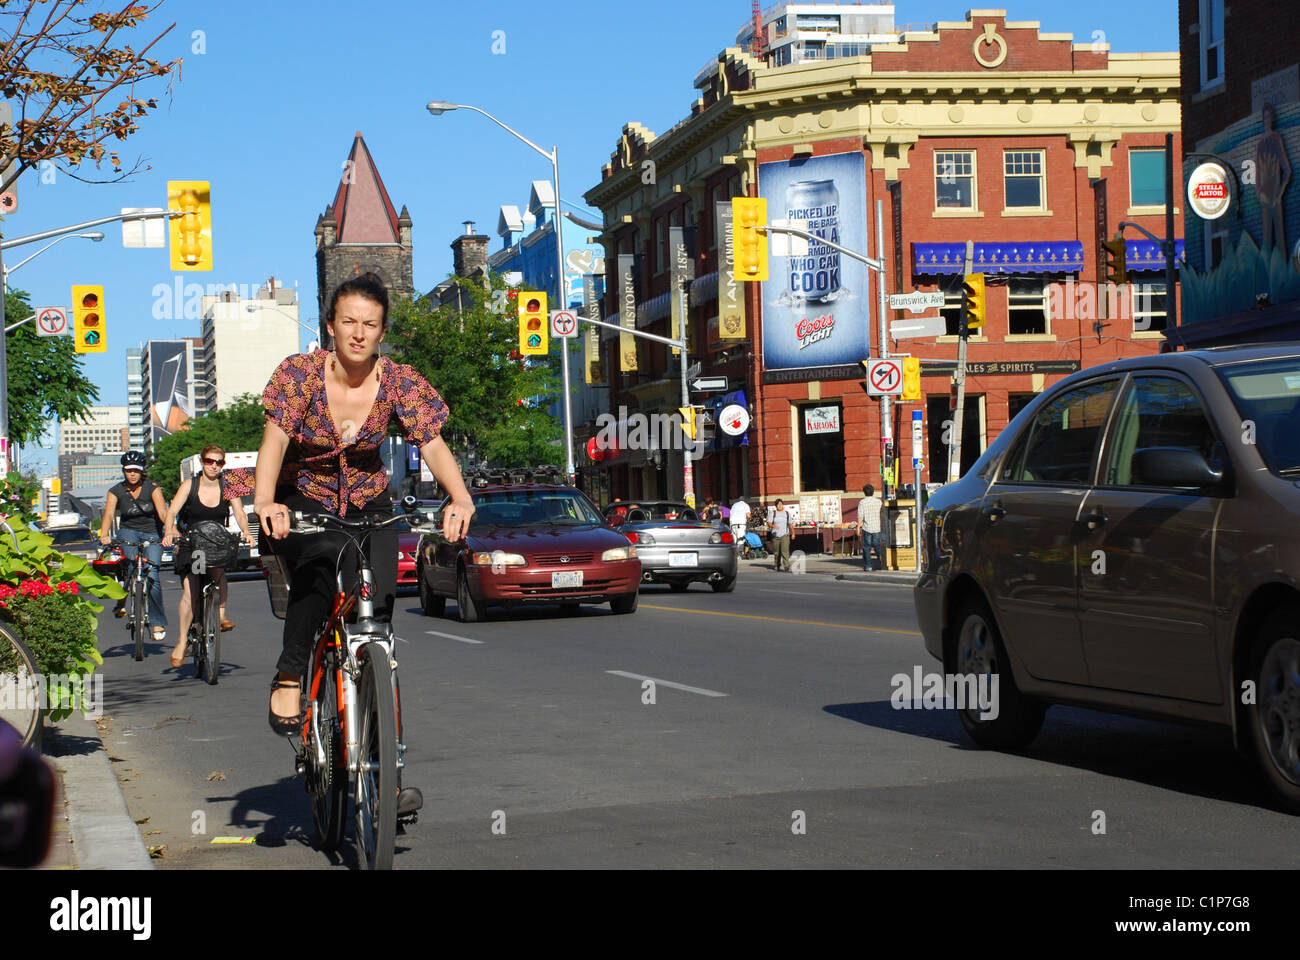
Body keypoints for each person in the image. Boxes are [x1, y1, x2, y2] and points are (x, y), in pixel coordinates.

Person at [256, 274, 474, 813]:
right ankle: (291, 671)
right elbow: (274, 442)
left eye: (370, 324)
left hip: (369, 501)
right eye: (349, 322)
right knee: (319, 568)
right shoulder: (298, 375)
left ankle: (384, 774)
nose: (358, 333)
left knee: (377, 614)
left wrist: (460, 498)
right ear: (330, 326)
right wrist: (266, 502)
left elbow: (432, 443)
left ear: (381, 332)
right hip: (304, 497)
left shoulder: (399, 381)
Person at [161, 444, 256, 668]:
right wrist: (169, 531)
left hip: (217, 542)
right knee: (191, 591)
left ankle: (221, 616)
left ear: (223, 464)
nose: (214, 466)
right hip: (194, 544)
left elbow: (240, 512)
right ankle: (182, 641)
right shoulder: (190, 485)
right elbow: (172, 511)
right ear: (202, 462)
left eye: (219, 462)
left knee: (219, 572)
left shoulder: (228, 486)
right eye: (209, 461)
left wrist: (247, 532)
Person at [98, 451, 169, 642]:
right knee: (131, 566)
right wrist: (104, 534)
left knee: (152, 574)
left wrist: (171, 530)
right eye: (129, 470)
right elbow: (109, 515)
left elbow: (163, 513)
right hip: (128, 532)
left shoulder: (152, 488)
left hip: (152, 532)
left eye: (136, 470)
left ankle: (157, 622)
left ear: (142, 471)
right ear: (124, 471)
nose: (132, 474)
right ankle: (125, 598)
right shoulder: (116, 491)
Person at [858, 483, 884, 572]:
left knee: (866, 547)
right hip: (877, 527)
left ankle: (868, 566)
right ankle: (883, 563)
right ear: (873, 492)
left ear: (864, 492)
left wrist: (858, 528)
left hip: (867, 527)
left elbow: (860, 517)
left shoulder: (862, 502)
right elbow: (882, 514)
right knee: (877, 545)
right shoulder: (879, 502)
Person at [767, 498, 792, 572]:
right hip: (775, 536)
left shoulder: (787, 513)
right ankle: (777, 565)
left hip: (785, 535)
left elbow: (790, 524)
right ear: (776, 506)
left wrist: (793, 533)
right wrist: (773, 526)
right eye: (778, 504)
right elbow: (769, 523)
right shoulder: (773, 513)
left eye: (781, 504)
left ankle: (786, 566)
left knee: (785, 552)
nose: (779, 505)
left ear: (783, 505)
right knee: (776, 552)